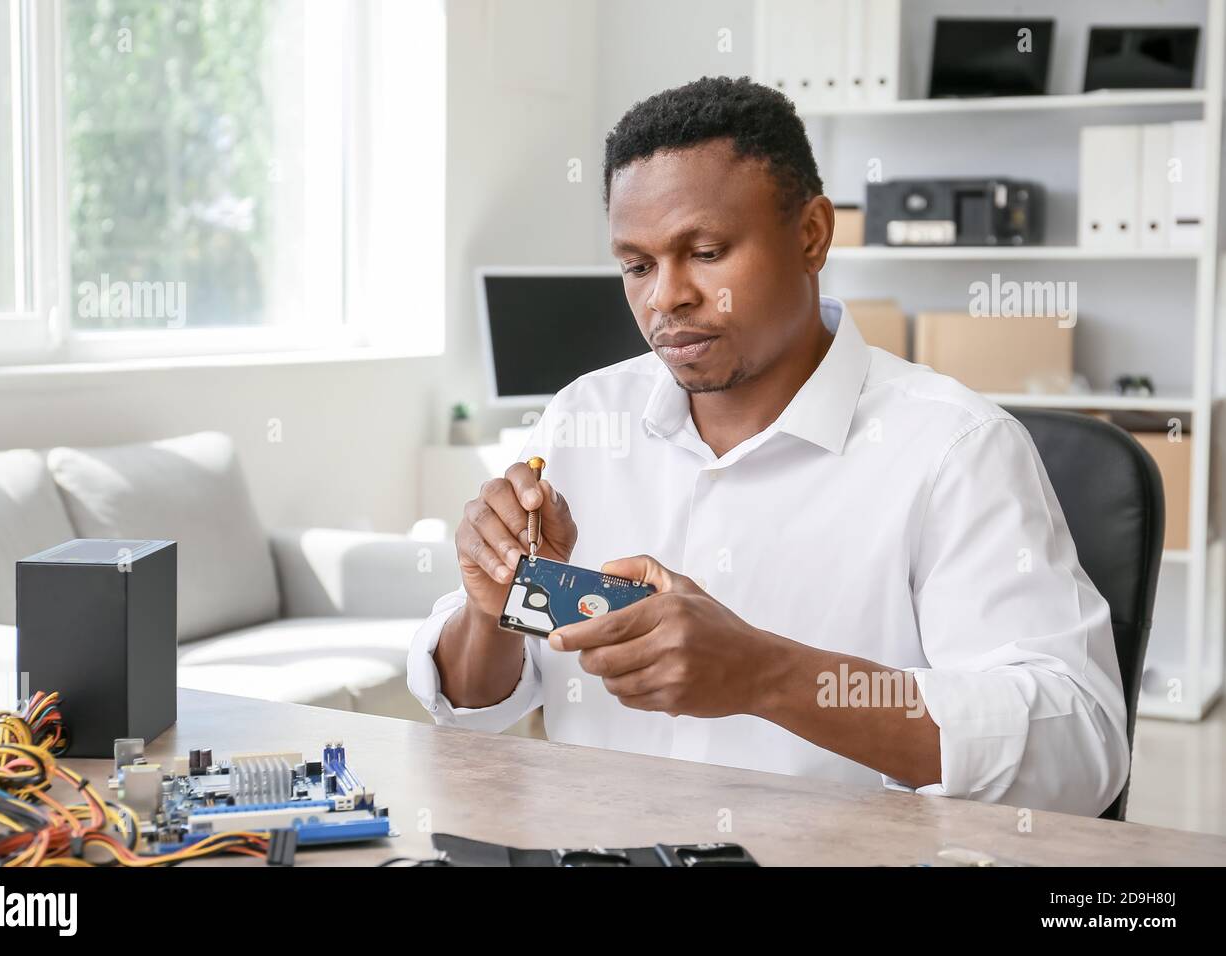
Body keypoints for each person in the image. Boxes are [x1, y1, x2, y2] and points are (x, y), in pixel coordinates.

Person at [407, 76, 1128, 815]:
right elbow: (474, 705)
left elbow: (1078, 748)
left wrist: (771, 676)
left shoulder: (954, 448)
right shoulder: (581, 418)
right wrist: (489, 610)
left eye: (708, 250)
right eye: (637, 265)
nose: (665, 297)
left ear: (812, 234)